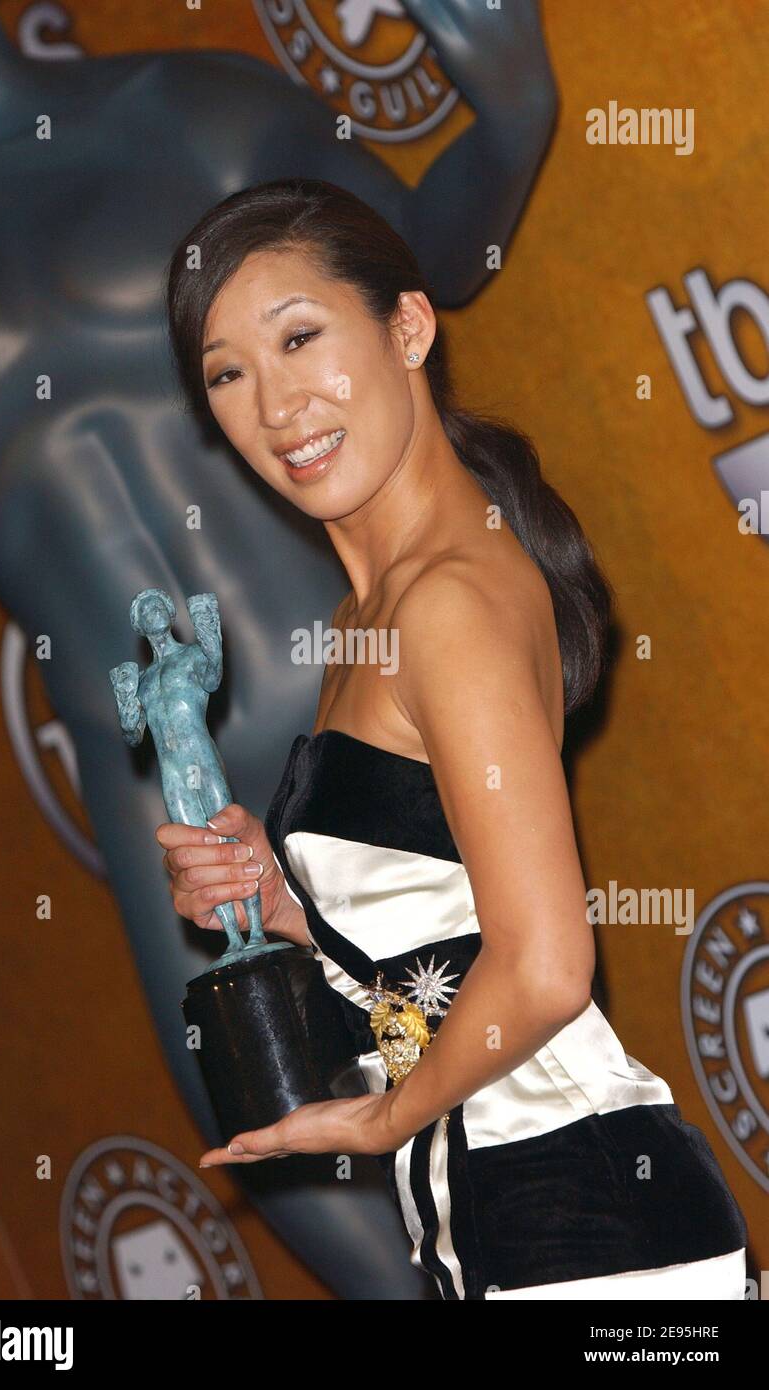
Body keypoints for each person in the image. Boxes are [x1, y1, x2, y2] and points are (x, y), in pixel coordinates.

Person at [156, 177, 748, 1300]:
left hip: (591, 1232)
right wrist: (286, 903)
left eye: (299, 339)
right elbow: (443, 957)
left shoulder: (447, 602)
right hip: (500, 1228)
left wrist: (387, 1115)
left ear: (409, 328)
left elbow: (546, 965)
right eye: (227, 373)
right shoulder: (366, 618)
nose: (275, 405)